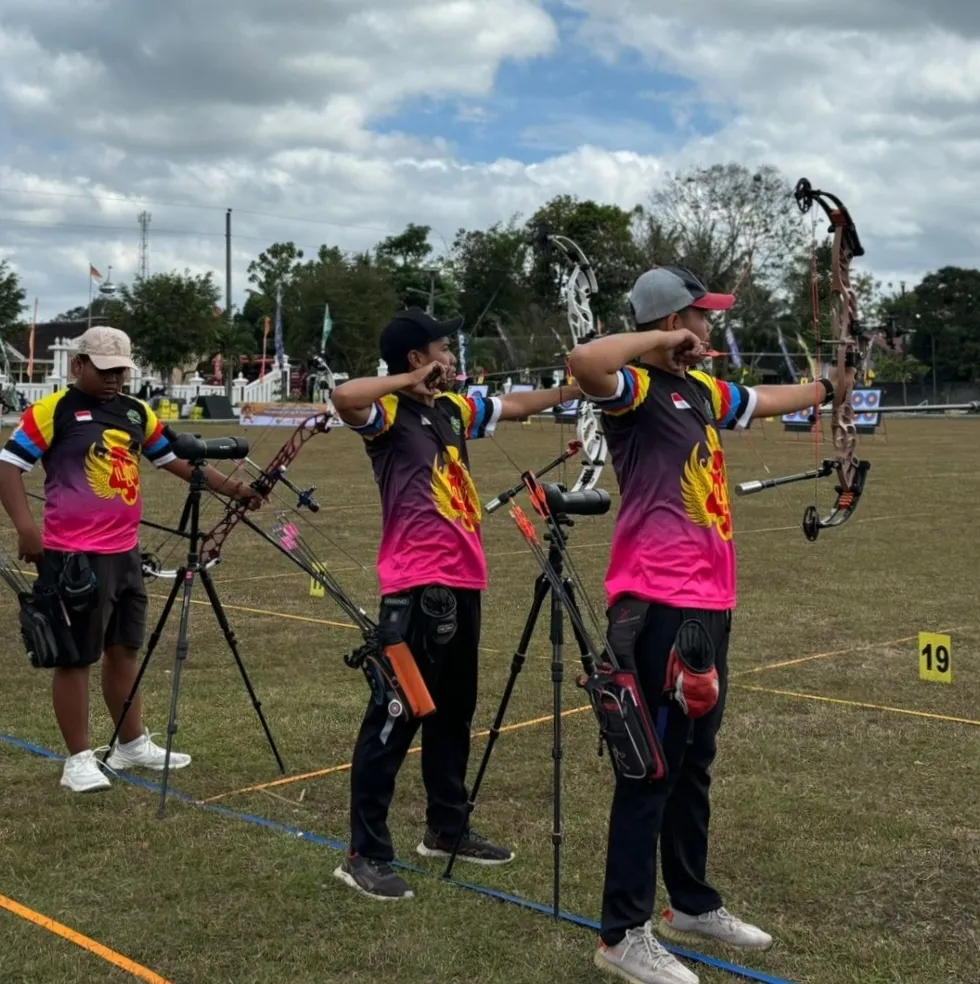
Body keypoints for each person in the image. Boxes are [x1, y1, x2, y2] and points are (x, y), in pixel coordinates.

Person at [569, 266, 845, 984]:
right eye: (699, 316)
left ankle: (689, 903)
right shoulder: (634, 389)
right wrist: (656, 346)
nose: (710, 327)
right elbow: (585, 362)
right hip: (658, 602)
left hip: (709, 602)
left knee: (693, 763)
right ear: (670, 323)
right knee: (650, 766)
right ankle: (622, 934)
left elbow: (765, 399)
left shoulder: (698, 391)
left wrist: (829, 389)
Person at [330, 306, 582, 901]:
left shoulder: (452, 409)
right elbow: (344, 397)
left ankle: (446, 828)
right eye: (443, 348)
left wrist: (573, 387)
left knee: (453, 712)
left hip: (463, 582)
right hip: (415, 585)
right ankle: (363, 853)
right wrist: (404, 383)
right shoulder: (387, 411)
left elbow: (515, 407)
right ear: (417, 358)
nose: (452, 358)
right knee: (396, 714)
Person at [0, 326, 264, 794]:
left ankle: (131, 742)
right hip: (72, 555)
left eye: (121, 370)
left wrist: (237, 490)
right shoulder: (52, 411)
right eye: (104, 370)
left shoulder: (136, 412)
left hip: (124, 552)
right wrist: (26, 529)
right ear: (77, 365)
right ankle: (78, 759)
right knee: (75, 656)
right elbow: (8, 467)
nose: (114, 379)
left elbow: (178, 462)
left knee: (124, 649)